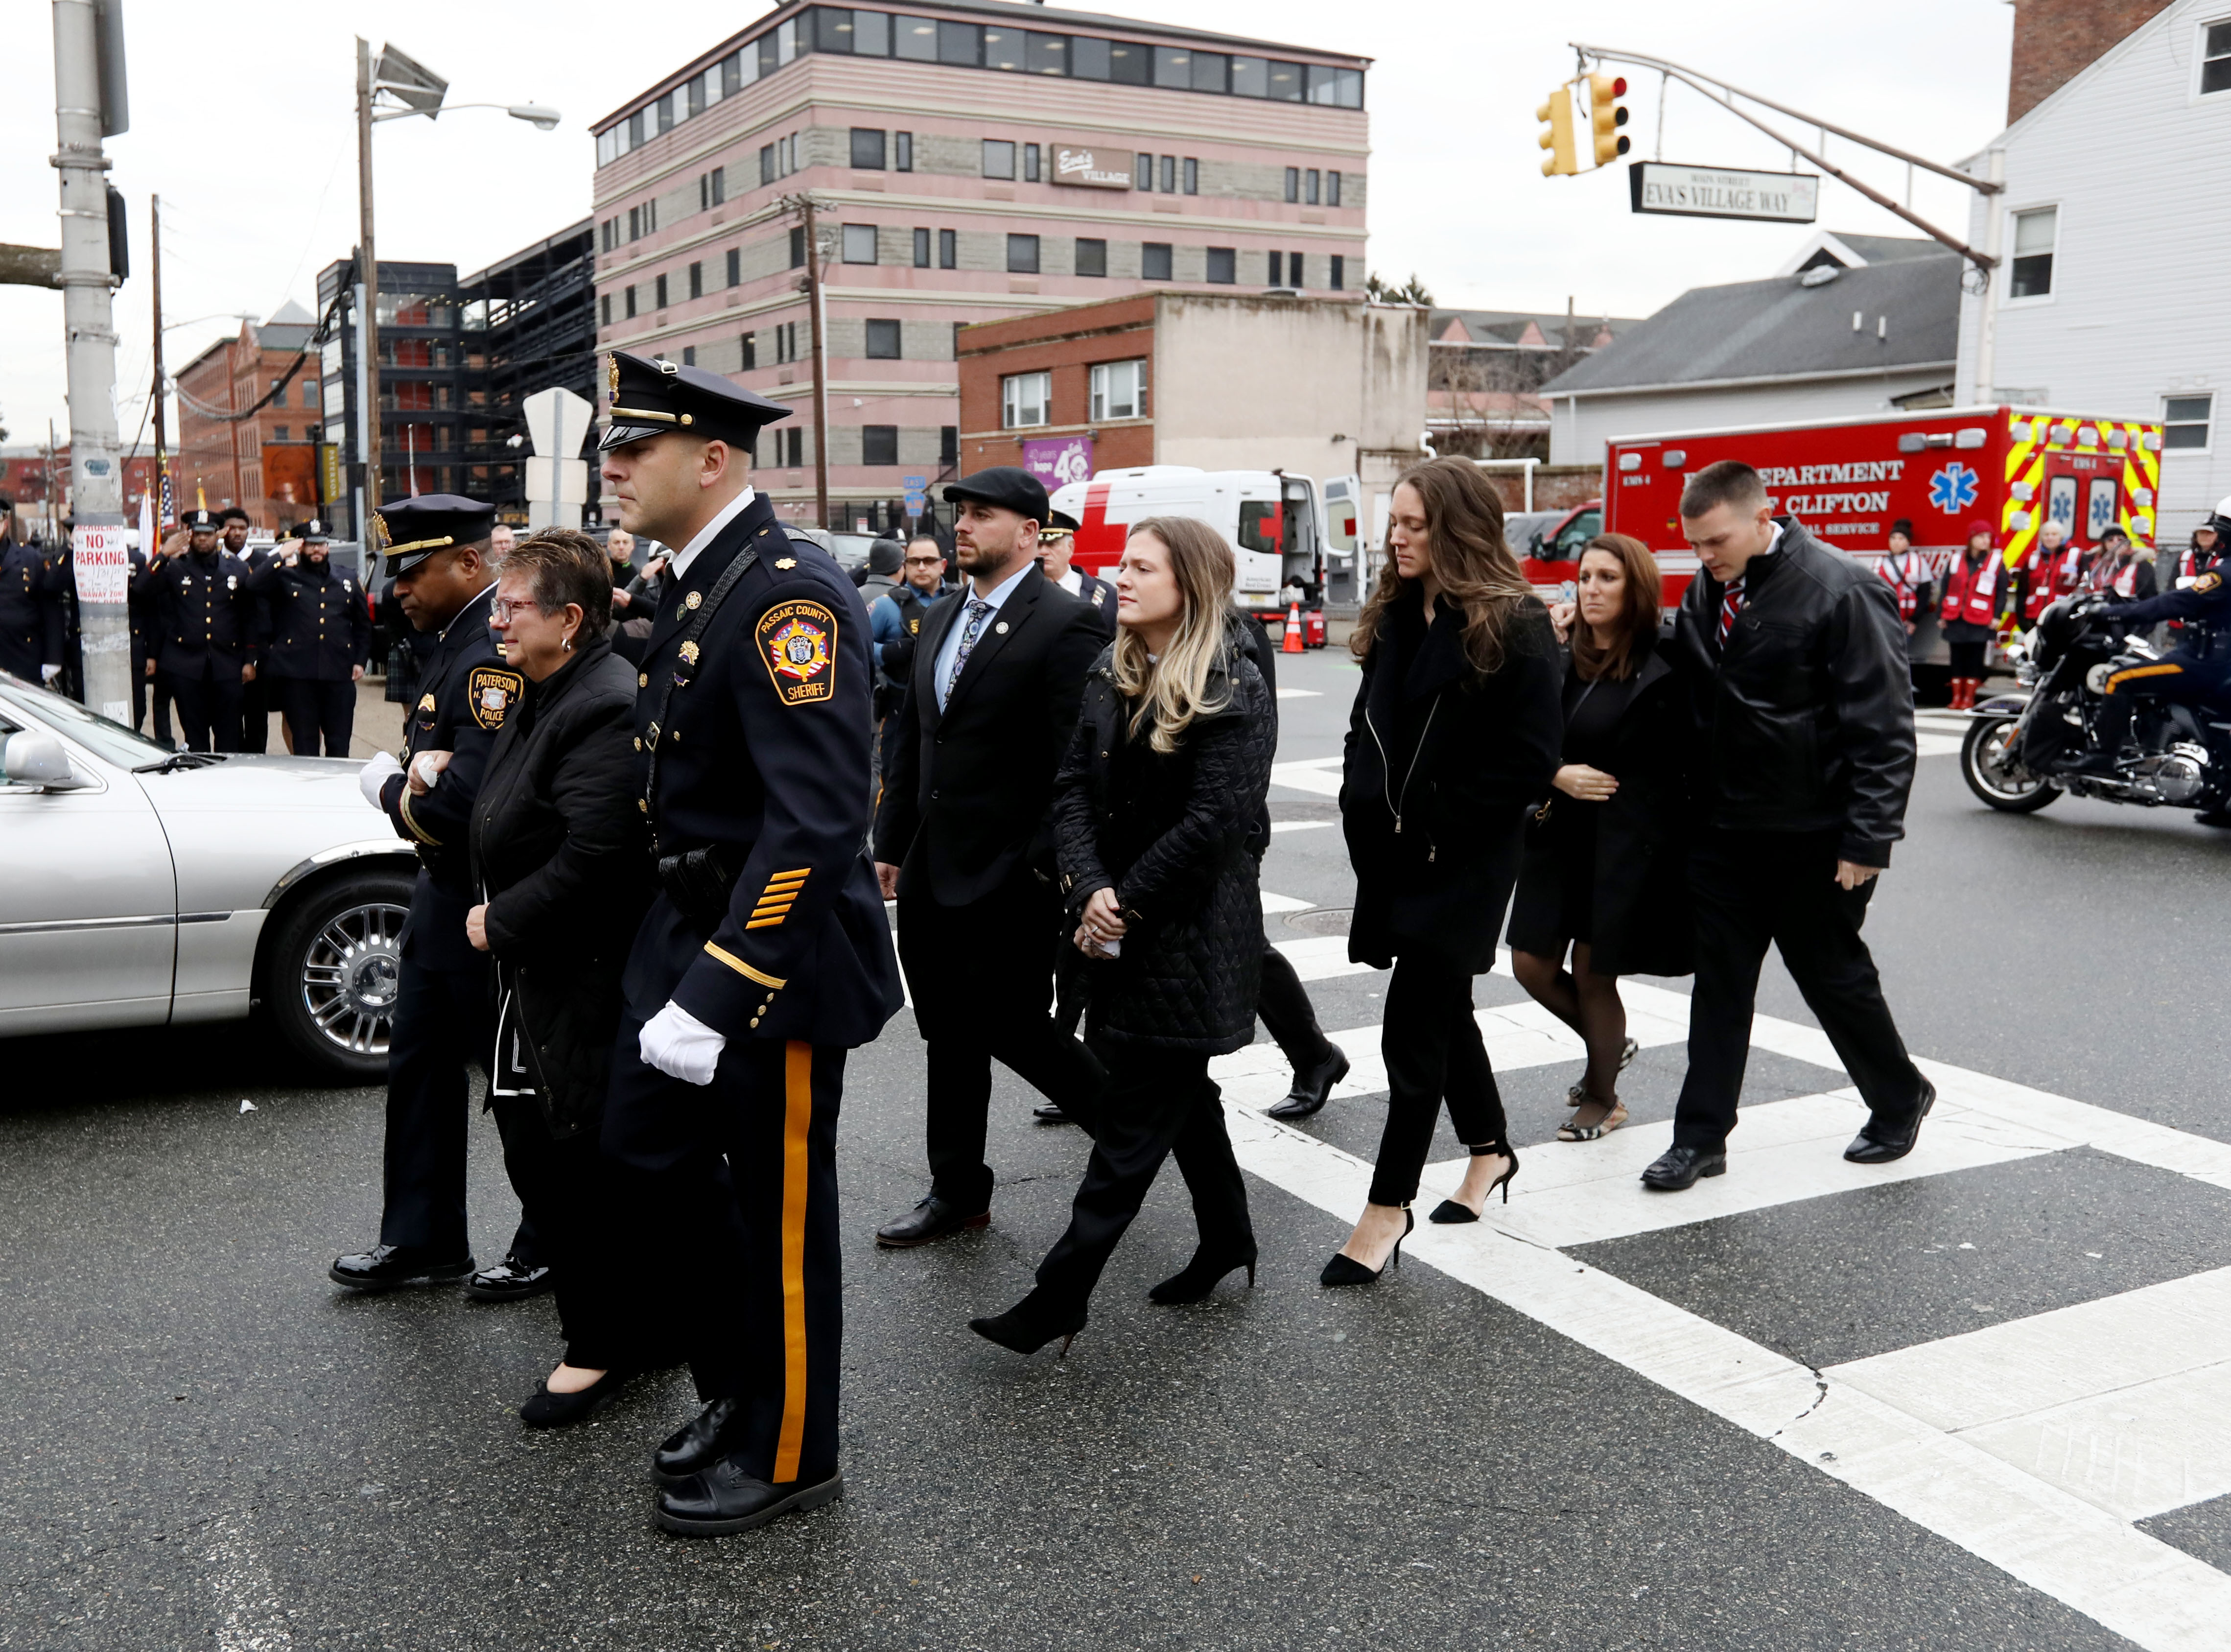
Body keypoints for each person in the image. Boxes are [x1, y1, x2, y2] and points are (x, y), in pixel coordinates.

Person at [595, 350, 900, 1538]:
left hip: (773, 965)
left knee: (780, 1221)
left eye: (636, 449)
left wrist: (721, 990)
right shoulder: (695, 581)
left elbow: (818, 821)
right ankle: (739, 1385)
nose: (613, 468)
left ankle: (791, 1449)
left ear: (710, 459)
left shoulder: (784, 596)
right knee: (648, 1159)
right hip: (690, 929)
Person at [970, 517, 1276, 1356]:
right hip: (1118, 921)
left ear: (1191, 584)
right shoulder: (1117, 666)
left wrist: (1121, 899)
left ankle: (1058, 1294)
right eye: (1122, 563)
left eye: (1142, 566)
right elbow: (1070, 787)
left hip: (1189, 934)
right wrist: (1088, 885)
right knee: (1182, 1095)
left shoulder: (1230, 681)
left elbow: (1216, 821)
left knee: (1138, 1118)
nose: (1120, 576)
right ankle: (1228, 1239)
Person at [1643, 460, 1931, 1193]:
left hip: (1814, 834)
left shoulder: (1841, 588)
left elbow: (1885, 728)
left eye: (1715, 540)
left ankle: (1899, 1096)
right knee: (1720, 986)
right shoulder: (1709, 587)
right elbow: (1706, 677)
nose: (1704, 556)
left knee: (1832, 976)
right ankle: (1700, 1137)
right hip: (1724, 831)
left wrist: (1868, 839)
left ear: (1761, 515)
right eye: (1695, 544)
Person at [1327, 458, 1562, 1284]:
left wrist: (1434, 820)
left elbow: (1531, 759)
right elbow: (1369, 731)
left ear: (1458, 528)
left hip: (1459, 857)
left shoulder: (1515, 622)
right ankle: (1491, 1147)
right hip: (1393, 851)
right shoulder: (1395, 614)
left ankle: (1387, 1206)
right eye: (1394, 520)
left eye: (1416, 523)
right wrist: (1366, 806)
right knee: (1444, 1003)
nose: (1396, 535)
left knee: (1412, 1025)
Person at [870, 467, 1109, 1249]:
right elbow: (912, 737)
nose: (961, 527)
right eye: (959, 514)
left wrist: (1039, 863)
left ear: (1030, 533)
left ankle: (1130, 1126)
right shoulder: (941, 617)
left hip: (1011, 874)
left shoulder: (1066, 623)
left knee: (1012, 1024)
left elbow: (1078, 762)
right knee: (948, 1031)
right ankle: (959, 1191)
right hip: (935, 868)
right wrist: (891, 842)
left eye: (981, 514)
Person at [466, 527, 655, 1426]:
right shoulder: (544, 690)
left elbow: (599, 853)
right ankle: (634, 1325)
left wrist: (500, 917)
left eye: (514, 604)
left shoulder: (603, 701)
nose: (497, 617)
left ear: (570, 618)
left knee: (571, 1165)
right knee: (545, 1156)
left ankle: (603, 1344)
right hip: (536, 975)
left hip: (579, 974)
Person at [330, 496, 539, 1295]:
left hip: (493, 901)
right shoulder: (452, 641)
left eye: (413, 571)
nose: (397, 589)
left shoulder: (491, 651)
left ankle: (546, 1238)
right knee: (419, 1070)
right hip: (440, 898)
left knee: (521, 1086)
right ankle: (421, 1237)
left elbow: (469, 805)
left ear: (470, 563)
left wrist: (387, 786)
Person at [1509, 534, 1691, 1141]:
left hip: (1623, 845)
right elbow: (1518, 734)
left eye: (1607, 578)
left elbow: (1688, 759)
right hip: (1556, 835)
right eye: (1585, 576)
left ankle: (1604, 1096)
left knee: (1594, 976)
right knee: (1531, 965)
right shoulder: (1559, 651)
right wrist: (1554, 773)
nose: (1591, 588)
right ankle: (1607, 1044)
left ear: (1634, 587)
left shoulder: (1667, 659)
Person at [2079, 496, 2231, 779]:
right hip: (2210, 658)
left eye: (2221, 531)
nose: (2217, 538)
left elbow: (2174, 602)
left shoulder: (2224, 573)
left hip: (2204, 662)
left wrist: (2113, 614)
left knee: (2118, 679)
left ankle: (2102, 759)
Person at [135, 507, 262, 753]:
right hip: (186, 666)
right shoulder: (175, 568)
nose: (203, 539)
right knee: (196, 737)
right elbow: (141, 590)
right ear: (189, 535)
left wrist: (250, 660)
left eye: (209, 533)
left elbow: (249, 617)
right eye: (197, 533)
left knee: (229, 738)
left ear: (219, 535)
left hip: (227, 665)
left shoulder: (235, 569)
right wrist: (163, 554)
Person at [249, 518, 371, 756]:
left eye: (322, 544)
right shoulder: (285, 576)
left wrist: (360, 660)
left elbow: (362, 624)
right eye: (311, 544)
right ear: (302, 546)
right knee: (305, 743)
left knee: (339, 742)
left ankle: (335, 789)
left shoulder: (346, 578)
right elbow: (254, 584)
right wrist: (280, 555)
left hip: (338, 672)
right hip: (298, 675)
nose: (317, 549)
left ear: (328, 547)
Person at [1937, 519, 2004, 712]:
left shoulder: (1995, 561)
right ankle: (1956, 698)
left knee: (1975, 659)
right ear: (1971, 539)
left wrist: (1997, 616)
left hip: (1981, 618)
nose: (1986, 541)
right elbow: (1945, 588)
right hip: (1955, 616)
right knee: (1957, 658)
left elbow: (2001, 591)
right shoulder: (1956, 560)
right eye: (1981, 537)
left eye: (1988, 537)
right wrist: (1941, 615)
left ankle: (1969, 698)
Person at [223, 509, 274, 752]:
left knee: (256, 718)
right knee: (227, 718)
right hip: (224, 651)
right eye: (231, 528)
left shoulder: (263, 562)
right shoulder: (214, 563)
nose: (236, 533)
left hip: (259, 650)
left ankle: (257, 764)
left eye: (242, 528)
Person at [0, 497, 58, 685]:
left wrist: (53, 657)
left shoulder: (29, 559)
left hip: (23, 657)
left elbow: (50, 608)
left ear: (5, 523)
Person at [1037, 512, 1117, 636]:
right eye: (1038, 545)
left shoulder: (1105, 594)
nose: (1043, 551)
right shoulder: (1019, 591)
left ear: (1071, 548)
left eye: (1052, 545)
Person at [1875, 519, 1932, 650]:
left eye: (1901, 538)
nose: (1896, 542)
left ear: (1908, 542)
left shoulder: (1918, 562)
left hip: (1905, 622)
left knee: (1900, 658)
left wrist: (1914, 621)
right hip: (1882, 619)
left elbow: (1925, 594)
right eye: (1893, 538)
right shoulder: (1880, 562)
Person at [2096, 527, 2157, 601]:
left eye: (2121, 540)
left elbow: (2149, 596)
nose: (2116, 543)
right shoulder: (2097, 564)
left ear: (2128, 544)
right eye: (2110, 540)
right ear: (2104, 544)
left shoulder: (2142, 565)